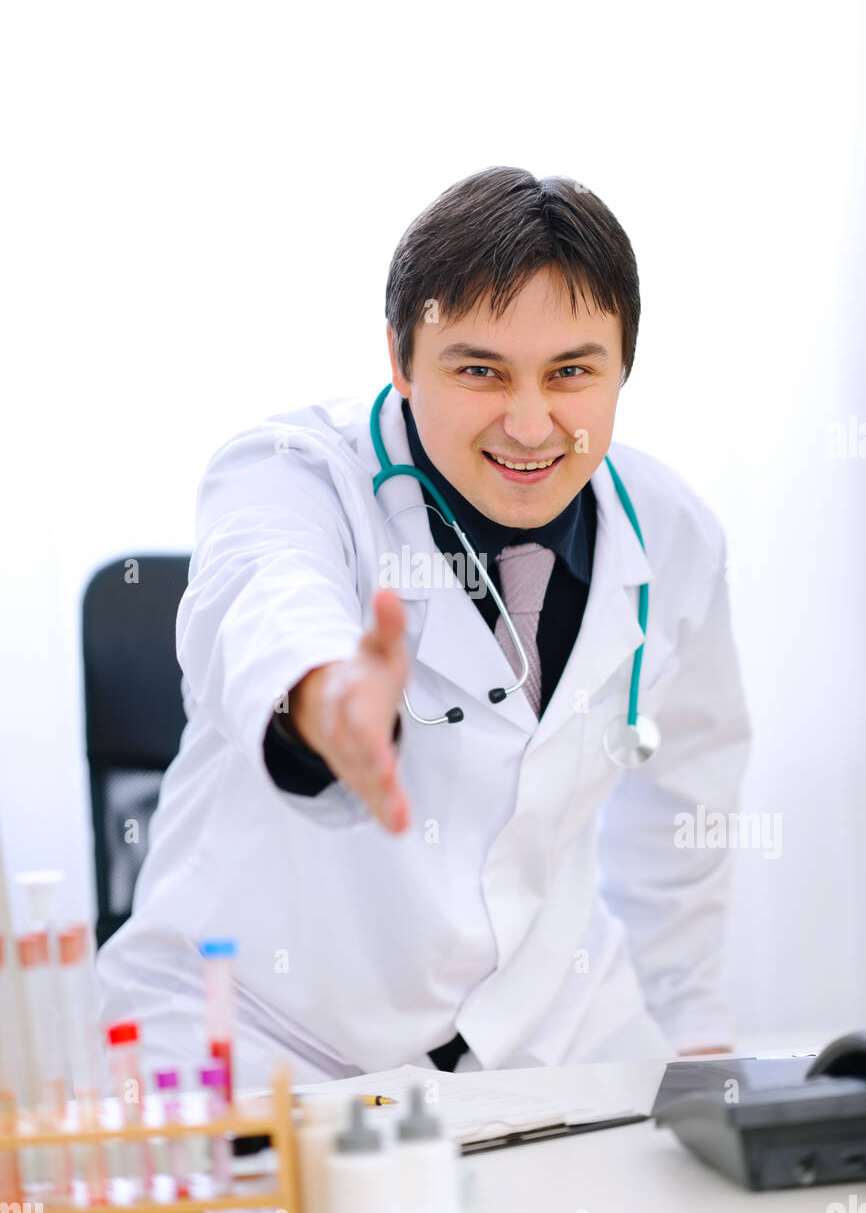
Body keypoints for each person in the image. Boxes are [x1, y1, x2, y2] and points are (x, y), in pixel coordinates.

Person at [97, 167, 751, 1087]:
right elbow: (263, 592)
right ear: (403, 361)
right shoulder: (293, 472)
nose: (531, 424)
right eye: (480, 370)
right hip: (254, 1031)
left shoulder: (674, 534)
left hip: (549, 1026)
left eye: (571, 372)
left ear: (622, 368)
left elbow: (685, 814)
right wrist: (326, 694)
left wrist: (700, 1054)